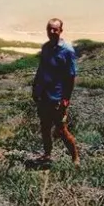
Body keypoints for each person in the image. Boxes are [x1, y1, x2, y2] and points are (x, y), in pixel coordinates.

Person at [31, 17, 80, 167]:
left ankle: (75, 158)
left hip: (57, 98)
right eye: (49, 29)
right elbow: (41, 70)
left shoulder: (67, 51)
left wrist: (66, 99)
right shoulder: (45, 48)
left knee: (62, 130)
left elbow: (71, 77)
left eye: (55, 29)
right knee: (44, 127)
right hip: (44, 95)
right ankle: (47, 154)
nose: (52, 32)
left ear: (61, 31)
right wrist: (35, 88)